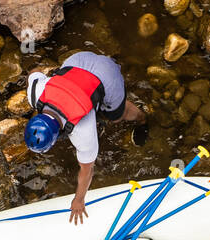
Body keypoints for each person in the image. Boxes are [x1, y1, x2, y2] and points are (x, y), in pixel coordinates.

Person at [23, 52, 146, 224]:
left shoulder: (82, 131)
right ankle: (109, 61)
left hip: (107, 75)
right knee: (94, 101)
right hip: (79, 60)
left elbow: (87, 170)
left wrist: (79, 200)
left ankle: (143, 119)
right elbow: (34, 72)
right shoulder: (36, 92)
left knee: (117, 116)